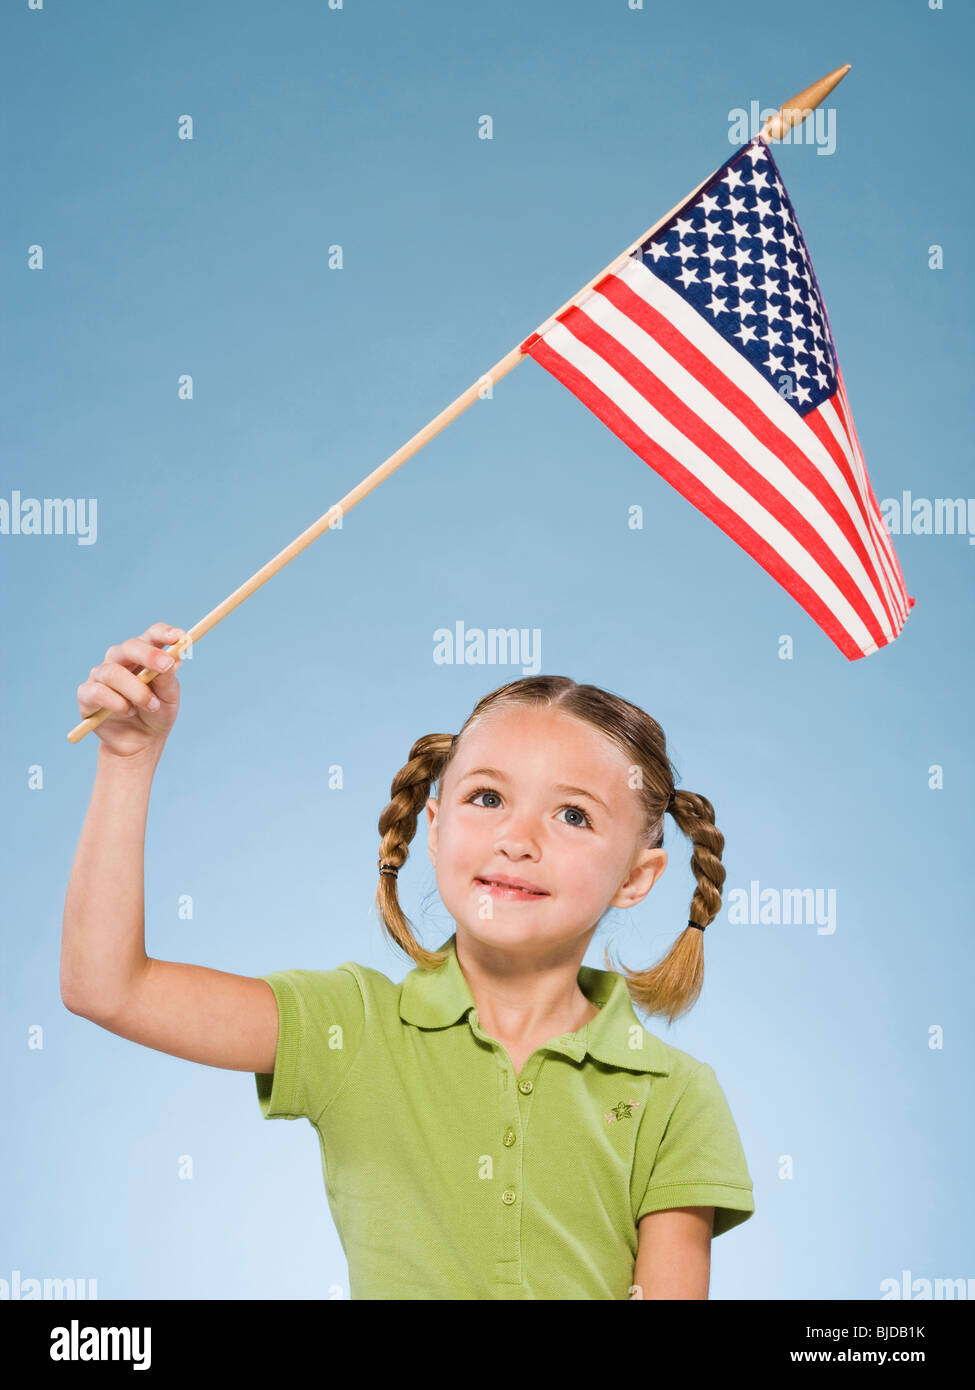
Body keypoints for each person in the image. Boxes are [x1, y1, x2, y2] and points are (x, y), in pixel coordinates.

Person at [62, 621, 755, 1301]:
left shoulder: (675, 1095)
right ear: (434, 829)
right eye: (487, 798)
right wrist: (127, 761)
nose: (516, 839)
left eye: (572, 815)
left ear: (638, 877)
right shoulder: (352, 1029)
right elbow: (108, 987)